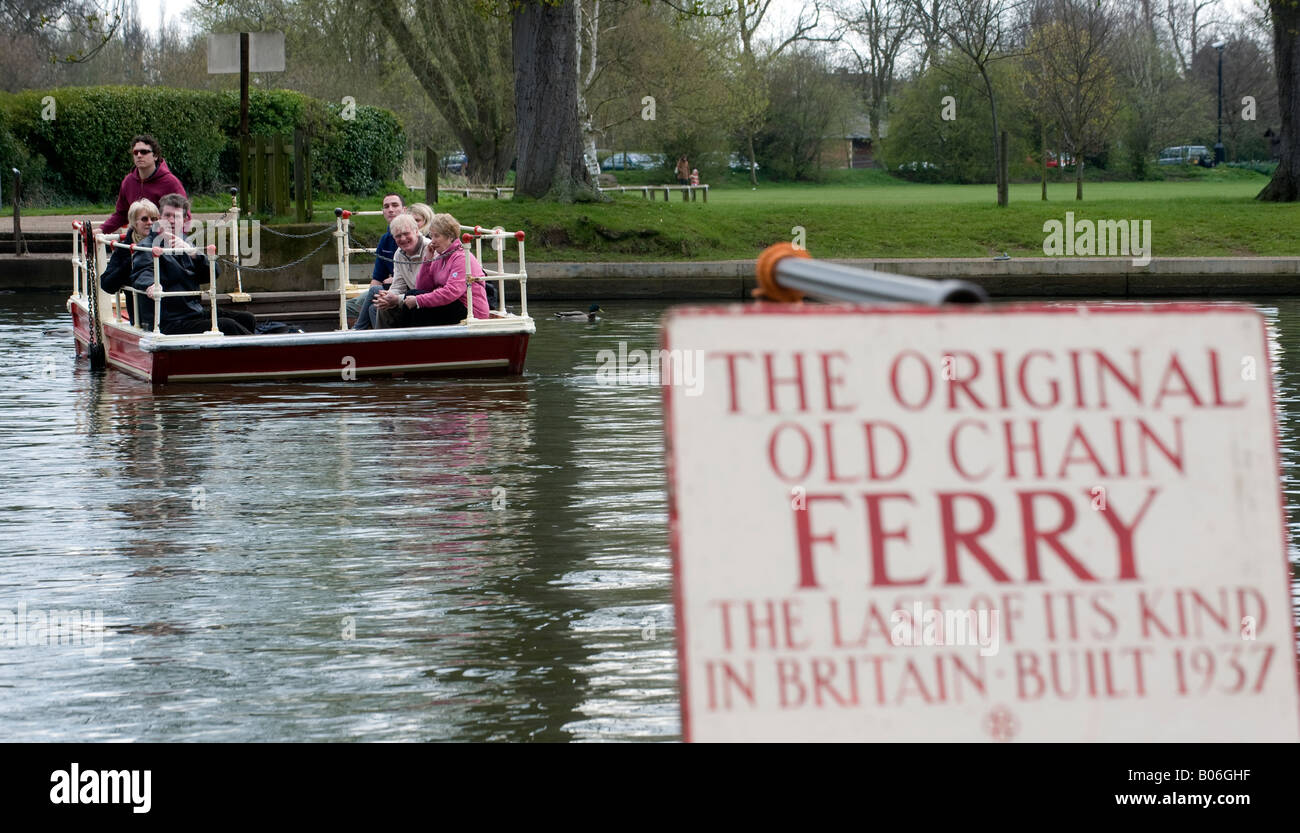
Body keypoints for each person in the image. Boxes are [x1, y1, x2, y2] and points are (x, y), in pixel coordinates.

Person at [129, 194, 257, 336]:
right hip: (169, 320)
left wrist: (194, 254)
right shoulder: (147, 246)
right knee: (228, 325)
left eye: (176, 216)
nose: (171, 220)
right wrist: (151, 285)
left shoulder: (186, 242)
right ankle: (264, 352)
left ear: (184, 220)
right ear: (159, 218)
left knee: (247, 318)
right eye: (167, 215)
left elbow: (213, 274)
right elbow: (142, 272)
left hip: (192, 312)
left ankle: (245, 353)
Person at [374, 212, 488, 327]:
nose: (432, 241)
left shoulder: (461, 257)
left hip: (470, 310)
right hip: (453, 305)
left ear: (450, 236)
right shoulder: (441, 257)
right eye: (431, 236)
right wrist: (427, 261)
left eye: (436, 236)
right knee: (412, 296)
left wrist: (418, 300)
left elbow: (451, 292)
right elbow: (422, 288)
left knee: (418, 306)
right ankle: (403, 338)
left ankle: (406, 339)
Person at [99, 135, 189, 234]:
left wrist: (176, 243)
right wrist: (101, 230)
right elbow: (121, 214)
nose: (139, 155)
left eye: (144, 152)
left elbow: (185, 217)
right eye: (135, 152)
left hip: (161, 241)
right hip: (135, 239)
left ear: (155, 156)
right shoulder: (128, 181)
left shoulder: (171, 183)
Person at [349, 192, 405, 330]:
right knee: (348, 307)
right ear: (383, 212)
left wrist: (396, 279)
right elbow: (377, 277)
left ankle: (357, 331)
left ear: (404, 210)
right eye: (386, 206)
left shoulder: (410, 238)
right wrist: (374, 297)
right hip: (385, 289)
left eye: (395, 205)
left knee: (374, 306)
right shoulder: (385, 240)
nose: (390, 209)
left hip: (403, 289)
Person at [100, 199, 160, 319]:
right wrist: (132, 261)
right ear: (134, 223)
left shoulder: (166, 243)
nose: (150, 223)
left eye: (154, 219)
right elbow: (107, 284)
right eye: (144, 219)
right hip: (140, 315)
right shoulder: (124, 248)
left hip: (169, 310)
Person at [372, 213, 429, 329]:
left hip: (427, 298)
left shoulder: (430, 249)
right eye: (398, 236)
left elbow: (429, 289)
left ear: (416, 231)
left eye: (406, 234)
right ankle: (383, 343)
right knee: (383, 306)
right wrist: (388, 296)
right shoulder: (399, 254)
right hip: (410, 296)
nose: (403, 239)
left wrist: (397, 299)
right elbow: (398, 285)